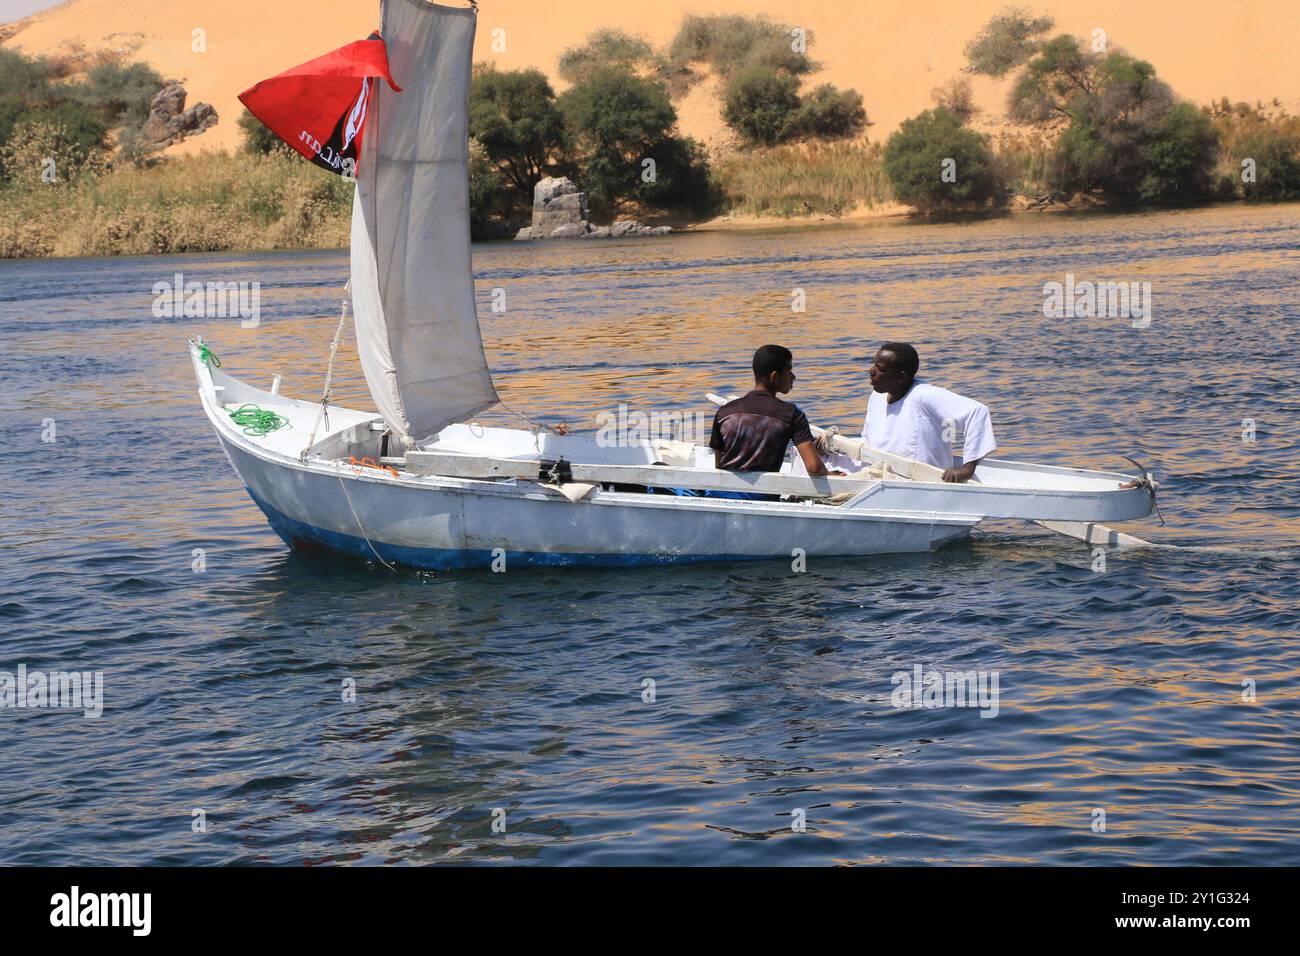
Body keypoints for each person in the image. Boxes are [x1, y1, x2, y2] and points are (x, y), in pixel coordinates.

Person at [863, 342, 996, 483]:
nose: (871, 371)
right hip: (881, 476)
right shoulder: (877, 396)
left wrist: (966, 469)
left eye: (880, 369)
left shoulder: (924, 395)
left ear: (901, 377)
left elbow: (977, 412)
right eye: (873, 365)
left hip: (925, 482)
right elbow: (868, 440)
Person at [710, 345, 838, 478]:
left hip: (725, 488)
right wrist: (830, 473)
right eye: (789, 371)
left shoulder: (724, 412)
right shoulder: (791, 414)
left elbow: (719, 465)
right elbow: (814, 468)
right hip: (764, 490)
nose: (793, 377)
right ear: (774, 376)